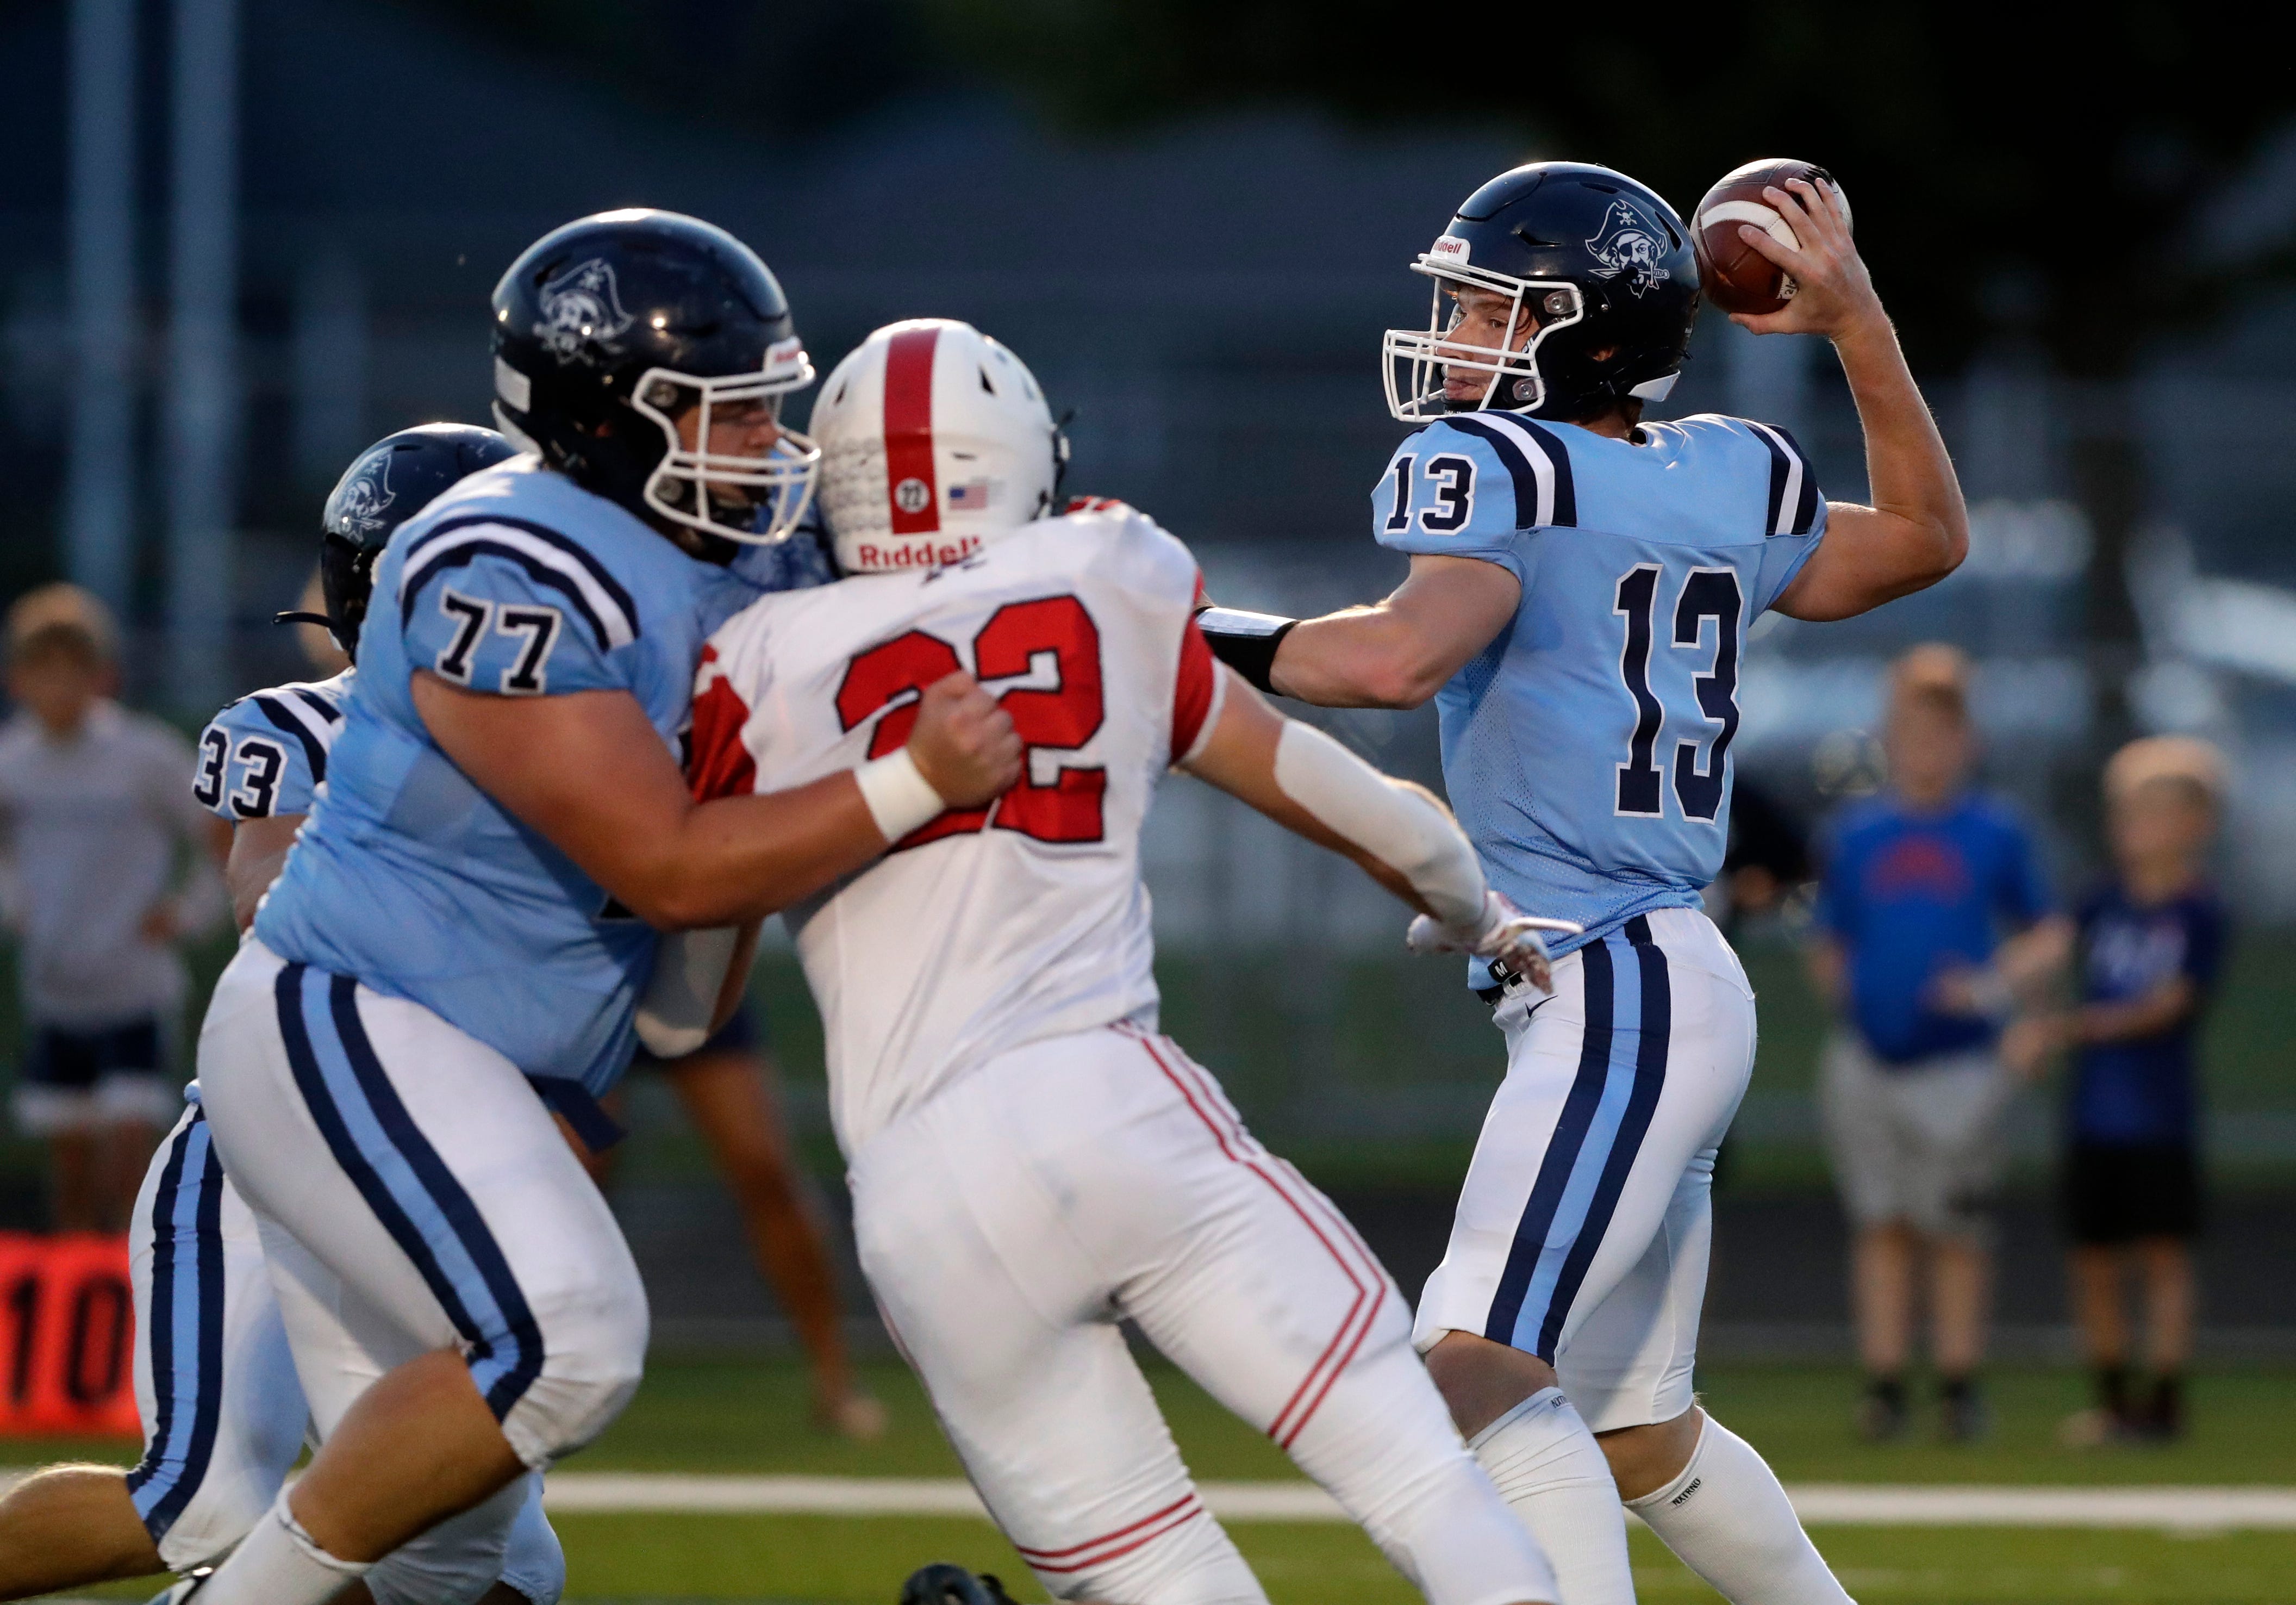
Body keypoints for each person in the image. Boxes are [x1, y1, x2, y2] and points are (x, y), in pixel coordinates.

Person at [172, 213, 1024, 1605]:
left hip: (488, 1072)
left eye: (766, 406)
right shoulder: (495, 560)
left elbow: (685, 1004)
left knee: (472, 1577)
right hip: (353, 1021)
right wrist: (908, 777)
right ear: (603, 416)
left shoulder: (738, 559)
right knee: (568, 1338)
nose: (765, 443)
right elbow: (674, 866)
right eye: (725, 411)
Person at [690, 318, 1570, 1605]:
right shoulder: (1100, 571)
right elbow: (1355, 807)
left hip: (921, 1202)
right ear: (1018, 461)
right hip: (1106, 1102)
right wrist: (1468, 907)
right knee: (1420, 1480)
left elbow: (684, 1007)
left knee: (1162, 1577)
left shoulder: (753, 656)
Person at [1195, 163, 1964, 1605]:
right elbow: (1927, 538)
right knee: (1636, 1435)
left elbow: (1392, 660)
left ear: (1593, 334)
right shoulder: (1718, 472)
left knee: (1463, 1373)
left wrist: (1177, 630)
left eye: (1495, 309)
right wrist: (1859, 321)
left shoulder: (1515, 469)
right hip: (1658, 981)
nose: (1457, 334)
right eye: (1461, 305)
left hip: (1618, 984)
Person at [0, 426, 573, 1605]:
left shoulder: (574, 749)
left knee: (498, 1575)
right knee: (202, 1497)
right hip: (262, 1168)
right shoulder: (306, 726)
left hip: (424, 1184)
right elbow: (263, 883)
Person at [1810, 645, 2070, 1443]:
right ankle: (1885, 1382)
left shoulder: (1995, 830)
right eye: (1912, 730)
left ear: (1968, 740)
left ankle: (1959, 1383)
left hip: (1961, 1062)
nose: (1926, 747)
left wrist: (1996, 990)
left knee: (1957, 1228)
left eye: (1942, 731)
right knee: (1882, 1222)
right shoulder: (1857, 832)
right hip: (1872, 1059)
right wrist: (1856, 998)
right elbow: (1830, 938)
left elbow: (2049, 934)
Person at [2006, 736, 2228, 1445]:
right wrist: (1996, 990)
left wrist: (2068, 1029)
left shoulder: (2199, 913)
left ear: (2194, 825)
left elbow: (2169, 1005)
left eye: (2152, 813)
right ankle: (2112, 1401)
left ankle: (2163, 1402)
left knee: (2163, 1257)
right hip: (2093, 1117)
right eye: (2127, 813)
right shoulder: (2100, 899)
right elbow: (2046, 953)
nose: (2133, 828)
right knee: (2094, 1259)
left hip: (2161, 1117)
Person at [0, 584, 228, 1231]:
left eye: (73, 669)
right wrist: (14, 905)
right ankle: (82, 1293)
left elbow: (217, 831)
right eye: (42, 670)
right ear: (18, 680)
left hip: (135, 992)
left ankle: (135, 1294)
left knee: (128, 1169)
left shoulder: (145, 754)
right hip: (54, 992)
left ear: (104, 675)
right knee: (70, 1175)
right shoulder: (12, 761)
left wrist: (187, 913)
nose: (59, 687)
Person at [604, 1007, 889, 1439]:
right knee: (575, 1182)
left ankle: (837, 1381)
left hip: (693, 993)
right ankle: (552, 1372)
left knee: (765, 1170)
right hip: (588, 996)